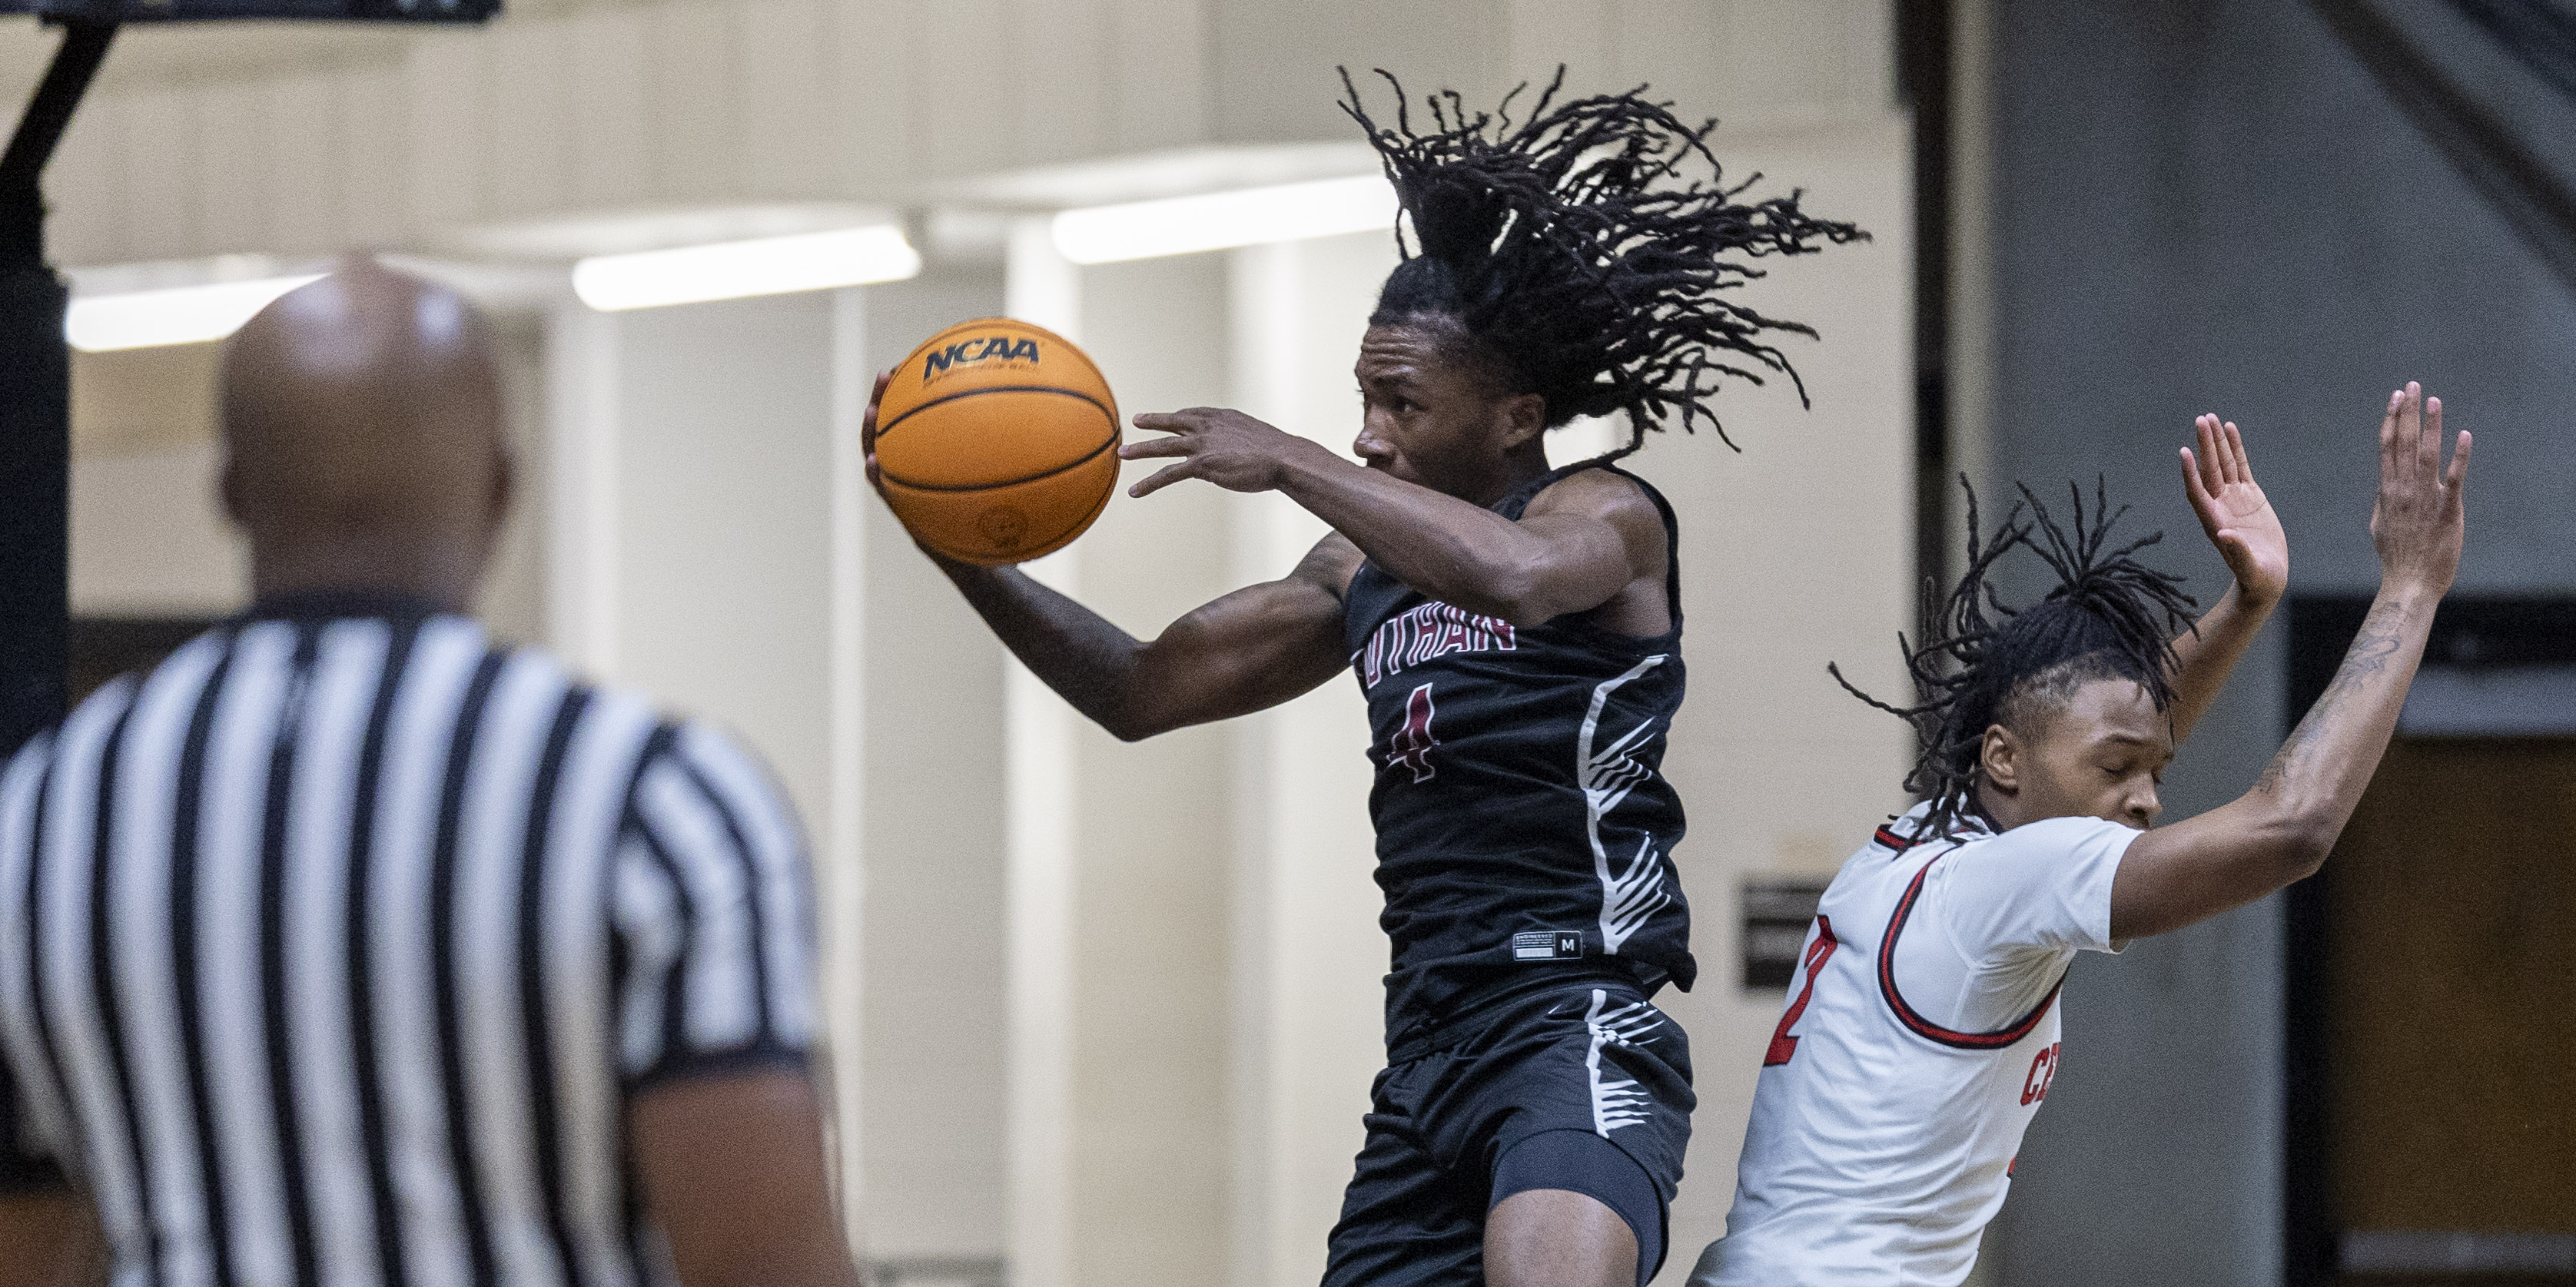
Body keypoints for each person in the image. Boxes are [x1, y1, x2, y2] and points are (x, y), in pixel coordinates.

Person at [868, 72, 1861, 1287]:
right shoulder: (1357, 570)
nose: (1368, 433)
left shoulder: (1604, 513)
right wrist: (954, 546)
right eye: (1360, 400)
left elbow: (1513, 578)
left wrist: (1286, 457)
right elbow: (1139, 687)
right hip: (1427, 1044)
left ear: (1516, 415)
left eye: (1403, 403)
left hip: (1570, 1014)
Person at [0, 260, 861, 1287]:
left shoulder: (44, 815)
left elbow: (29, 1242)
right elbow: (763, 1258)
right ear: (503, 489)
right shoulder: (657, 800)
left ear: (228, 494)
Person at [1690, 386, 2470, 1287]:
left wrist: (2245, 603)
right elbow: (2293, 828)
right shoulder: (2010, 874)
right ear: (2003, 758)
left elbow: (2111, 729)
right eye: (2117, 772)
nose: (2145, 802)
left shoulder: (1916, 850)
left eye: (2155, 775)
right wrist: (2411, 588)